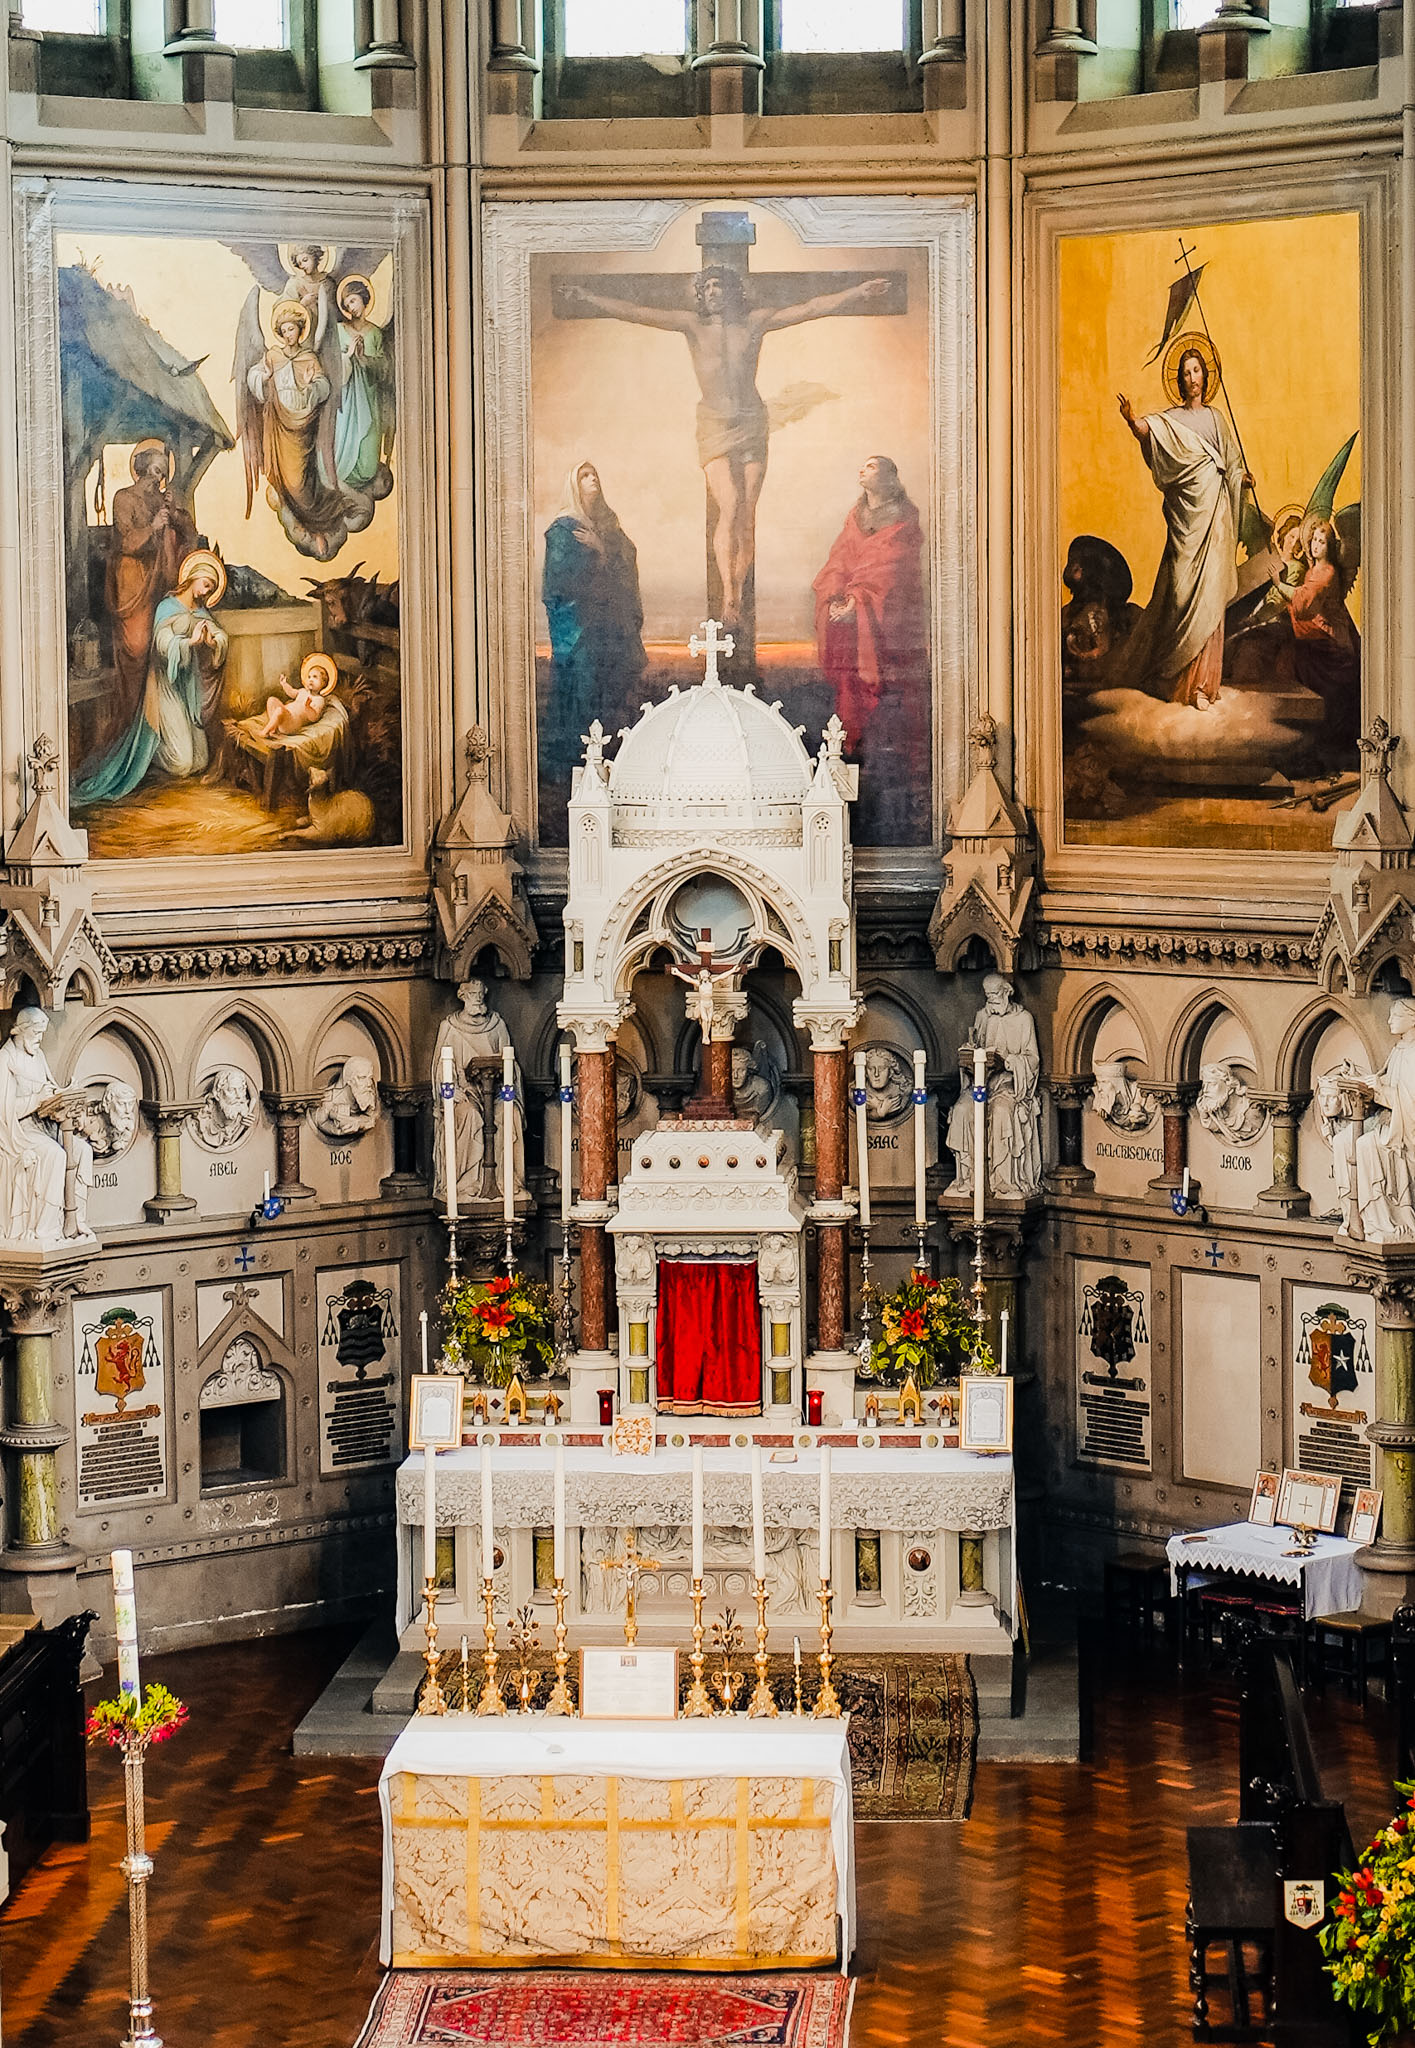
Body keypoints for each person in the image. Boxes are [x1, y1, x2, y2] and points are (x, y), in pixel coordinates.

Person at [559, 267, 891, 626]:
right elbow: (637, 312)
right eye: (709, 286)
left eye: (722, 285)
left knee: (747, 511)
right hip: (715, 424)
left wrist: (858, 292)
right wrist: (587, 297)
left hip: (751, 420)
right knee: (729, 506)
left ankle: (738, 589)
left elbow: (810, 307)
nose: (715, 291)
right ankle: (730, 598)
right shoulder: (691, 324)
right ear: (702, 293)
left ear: (734, 291)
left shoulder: (755, 322)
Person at [1115, 339, 1249, 708]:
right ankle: (1176, 680)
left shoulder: (1218, 419)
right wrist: (1131, 419)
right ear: (1179, 379)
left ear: (1206, 376)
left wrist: (1240, 479)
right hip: (1187, 521)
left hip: (1216, 521)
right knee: (1181, 593)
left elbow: (1232, 464)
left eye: (1197, 370)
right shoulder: (1172, 420)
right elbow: (1148, 431)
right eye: (1186, 372)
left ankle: (1204, 685)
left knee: (1211, 594)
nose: (1193, 378)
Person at [71, 549, 229, 806]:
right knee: (182, 764)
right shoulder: (167, 607)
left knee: (200, 762)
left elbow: (220, 635)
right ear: (195, 576)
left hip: (185, 687)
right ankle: (149, 751)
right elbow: (162, 643)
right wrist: (189, 642)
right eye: (206, 584)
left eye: (211, 588)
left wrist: (213, 641)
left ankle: (167, 744)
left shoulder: (200, 612)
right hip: (164, 685)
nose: (206, 592)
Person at [541, 462, 646, 777]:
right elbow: (559, 582)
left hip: (610, 629)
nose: (592, 479)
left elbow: (627, 559)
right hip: (579, 628)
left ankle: (614, 761)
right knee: (582, 690)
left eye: (595, 474)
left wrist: (601, 550)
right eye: (584, 476)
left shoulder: (608, 525)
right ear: (574, 484)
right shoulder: (563, 530)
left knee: (610, 691)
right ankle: (578, 765)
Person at [238, 297, 345, 561]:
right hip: (278, 424)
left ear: (300, 330)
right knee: (284, 483)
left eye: (292, 329)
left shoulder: (309, 357)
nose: (288, 335)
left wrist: (311, 384)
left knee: (301, 482)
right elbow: (253, 379)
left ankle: (317, 524)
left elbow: (325, 389)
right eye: (283, 330)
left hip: (303, 427)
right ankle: (305, 525)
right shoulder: (272, 356)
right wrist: (261, 377)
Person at [104, 440, 198, 724]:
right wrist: (153, 526)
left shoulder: (160, 500)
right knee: (137, 648)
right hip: (132, 581)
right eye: (154, 471)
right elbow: (126, 541)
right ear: (140, 470)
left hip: (158, 581)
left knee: (160, 647)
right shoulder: (123, 498)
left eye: (161, 474)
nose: (157, 479)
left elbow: (188, 533)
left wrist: (176, 511)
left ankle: (157, 726)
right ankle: (131, 721)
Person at [945, 975, 1043, 1200]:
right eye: (988, 996)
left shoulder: (1023, 1019)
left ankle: (1004, 1182)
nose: (991, 1001)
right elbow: (976, 1043)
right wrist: (970, 1054)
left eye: (995, 995)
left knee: (1001, 1113)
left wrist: (1007, 1061)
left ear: (1007, 992)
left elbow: (1032, 1059)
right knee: (962, 1110)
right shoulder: (982, 1016)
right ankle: (968, 1179)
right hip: (982, 1082)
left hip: (1008, 1084)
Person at [0, 1009, 91, 1244]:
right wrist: (36, 1100)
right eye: (36, 1033)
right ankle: (46, 1230)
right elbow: (4, 1111)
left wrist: (66, 1092)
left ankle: (76, 1220)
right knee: (56, 1155)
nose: (40, 1038)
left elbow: (48, 1089)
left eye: (42, 1033)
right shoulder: (5, 1059)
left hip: (43, 1126)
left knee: (82, 1151)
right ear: (21, 1030)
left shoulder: (37, 1055)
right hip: (17, 1131)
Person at [431, 981, 523, 1206]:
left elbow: (510, 1063)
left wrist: (506, 1083)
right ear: (462, 995)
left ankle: (504, 1180)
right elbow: (440, 1069)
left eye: (481, 993)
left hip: (496, 1092)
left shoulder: (496, 1025)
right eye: (472, 993)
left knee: (509, 1116)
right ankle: (466, 1182)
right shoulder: (450, 1027)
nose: (478, 998)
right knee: (469, 1116)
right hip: (465, 1093)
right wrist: (453, 1091)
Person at [333, 275, 394, 512]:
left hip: (369, 399)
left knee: (368, 463)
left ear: (364, 300)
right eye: (347, 304)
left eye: (354, 301)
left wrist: (363, 358)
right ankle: (341, 494)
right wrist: (347, 356)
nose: (351, 307)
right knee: (342, 450)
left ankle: (357, 491)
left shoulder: (376, 334)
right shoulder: (339, 330)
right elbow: (330, 366)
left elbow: (384, 369)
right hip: (346, 400)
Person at [257, 652, 338, 739]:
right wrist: (284, 684)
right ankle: (273, 728)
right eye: (309, 677)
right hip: (284, 716)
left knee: (280, 710)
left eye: (315, 677)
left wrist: (308, 707)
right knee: (271, 700)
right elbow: (291, 692)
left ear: (323, 683)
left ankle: (265, 732)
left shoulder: (318, 699)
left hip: (291, 723)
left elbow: (314, 717)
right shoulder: (303, 691)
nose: (311, 680)